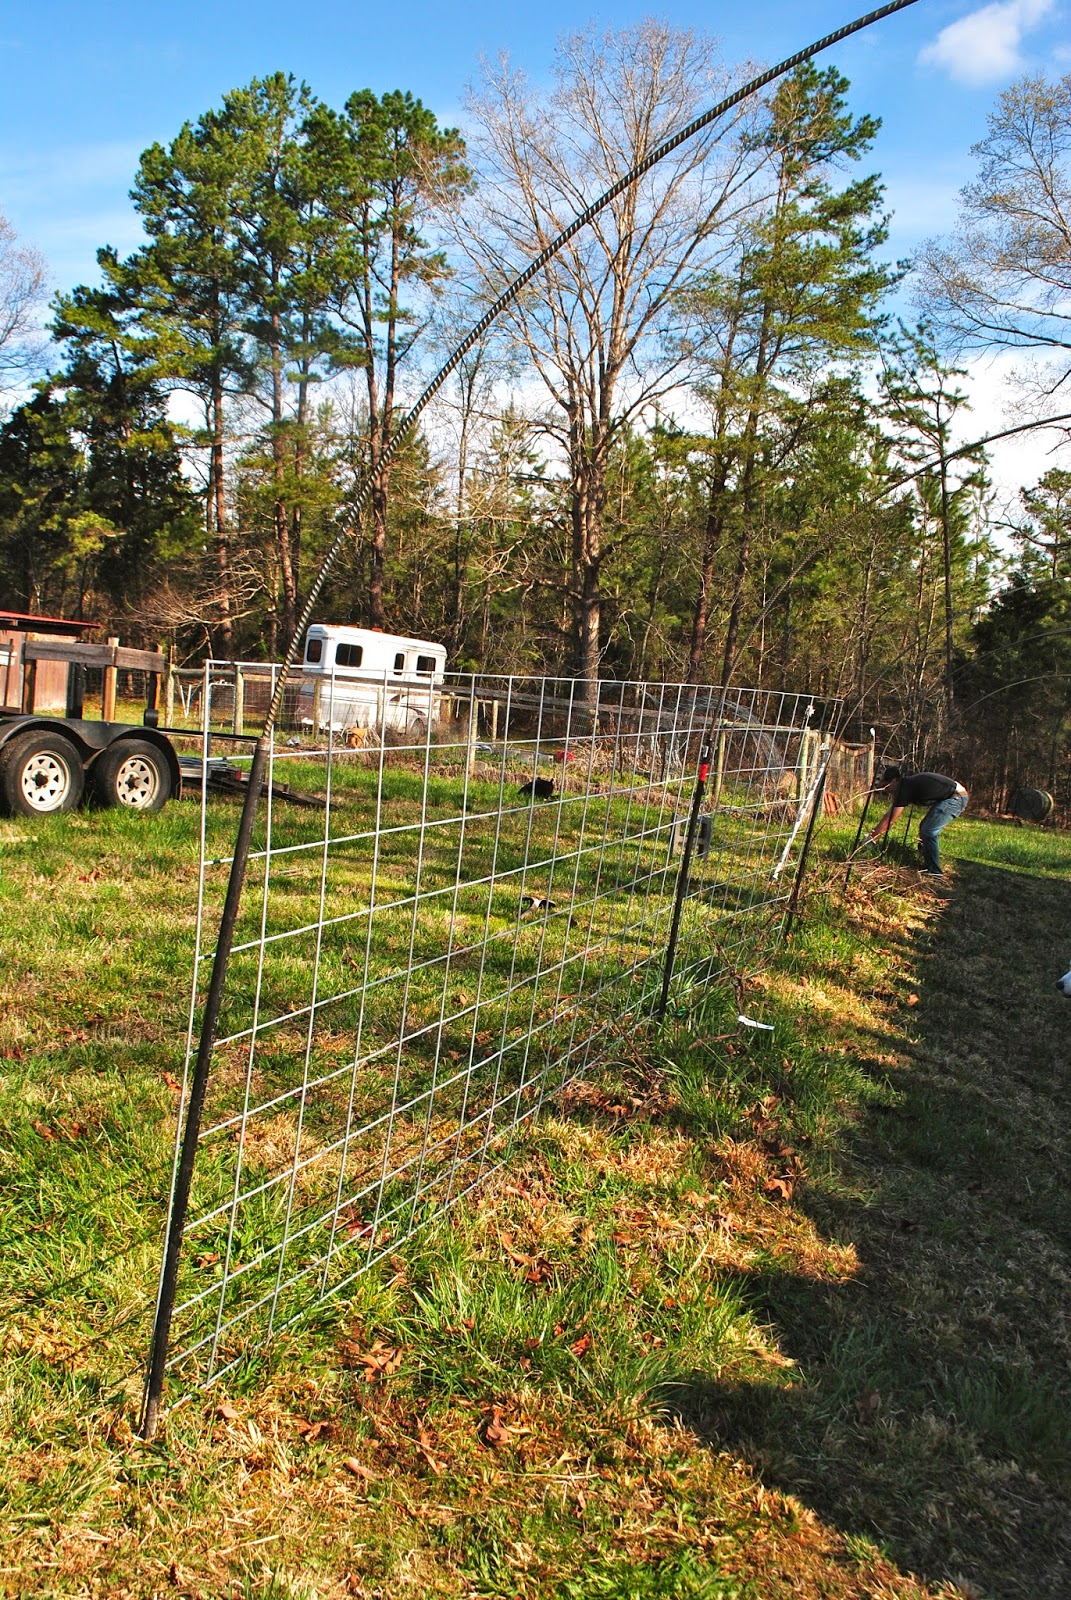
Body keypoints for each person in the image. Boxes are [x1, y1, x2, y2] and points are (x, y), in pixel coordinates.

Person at [867, 765, 969, 879]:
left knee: (928, 832)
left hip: (956, 797)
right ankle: (926, 861)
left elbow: (889, 819)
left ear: (894, 780)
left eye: (886, 785)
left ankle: (935, 872)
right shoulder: (906, 784)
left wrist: (870, 839)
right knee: (925, 828)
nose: (885, 790)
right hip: (955, 793)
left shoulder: (904, 788)